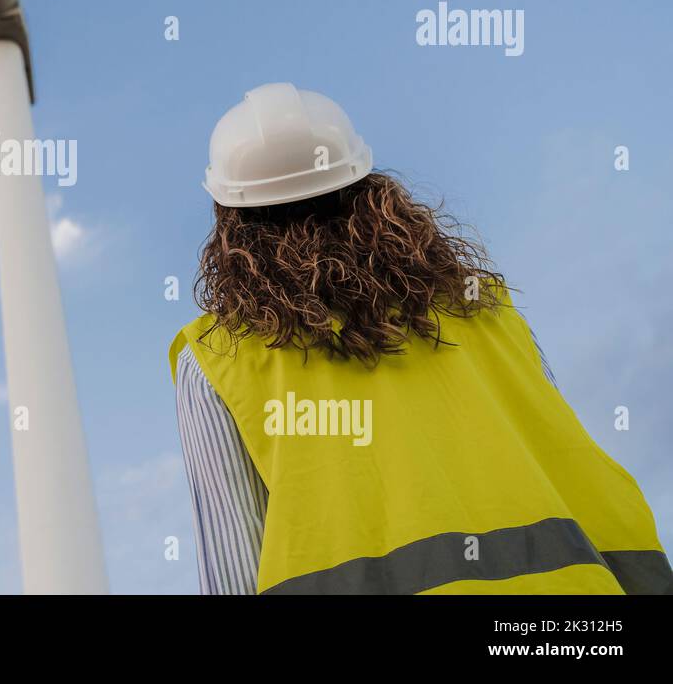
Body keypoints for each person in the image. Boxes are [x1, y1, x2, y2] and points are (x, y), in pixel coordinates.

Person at [171, 83, 671, 595]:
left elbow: (232, 566)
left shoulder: (217, 359)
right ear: (371, 191)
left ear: (231, 227)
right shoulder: (487, 310)